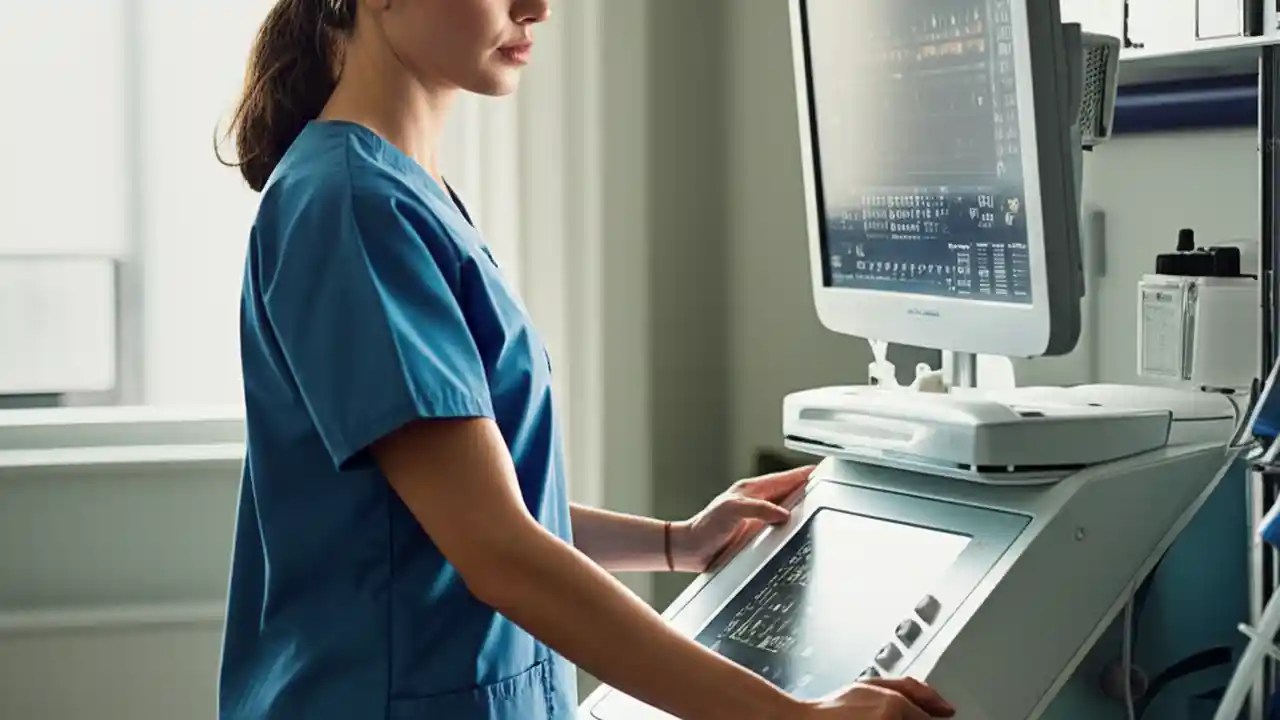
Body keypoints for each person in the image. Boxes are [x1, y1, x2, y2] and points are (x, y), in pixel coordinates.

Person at [216, 1, 957, 718]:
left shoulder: (401, 194)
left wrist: (673, 542)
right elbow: (496, 549)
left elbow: (459, 503)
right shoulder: (352, 206)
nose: (538, 7)